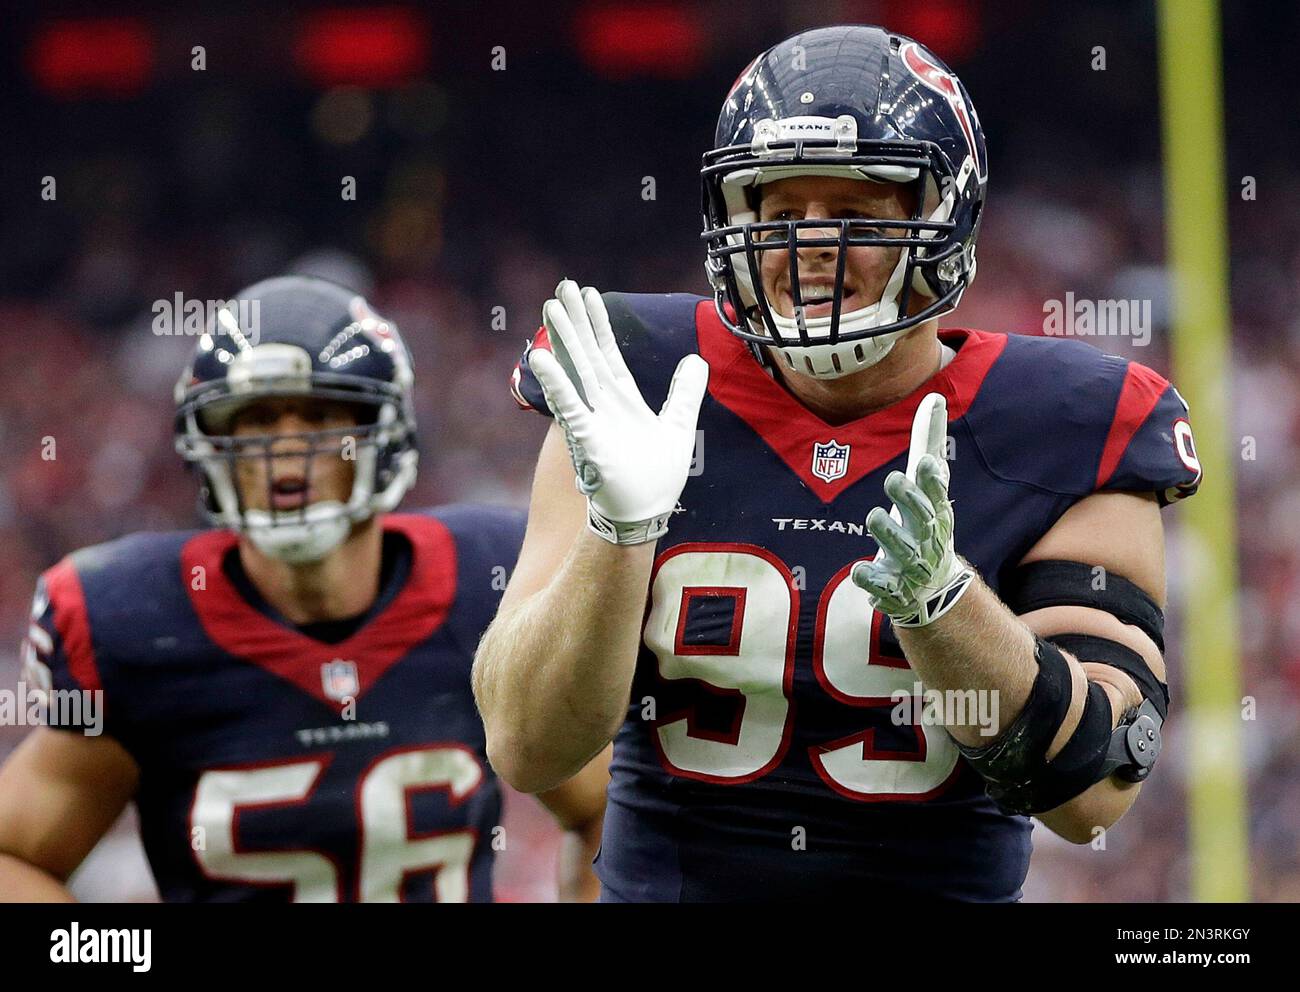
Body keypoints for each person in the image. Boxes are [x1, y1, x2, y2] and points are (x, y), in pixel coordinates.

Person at [474, 25, 1201, 901]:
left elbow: (1091, 798)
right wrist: (616, 532)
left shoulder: (1068, 422)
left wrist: (947, 608)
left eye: (853, 208)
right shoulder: (640, 378)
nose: (808, 244)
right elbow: (528, 743)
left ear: (943, 216)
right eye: (777, 211)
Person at [0, 275, 607, 902]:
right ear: (212, 445)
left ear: (384, 431)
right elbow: (14, 858)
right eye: (257, 422)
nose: (287, 455)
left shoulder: (484, 583)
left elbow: (601, 809)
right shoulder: (138, 624)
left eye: (320, 417)